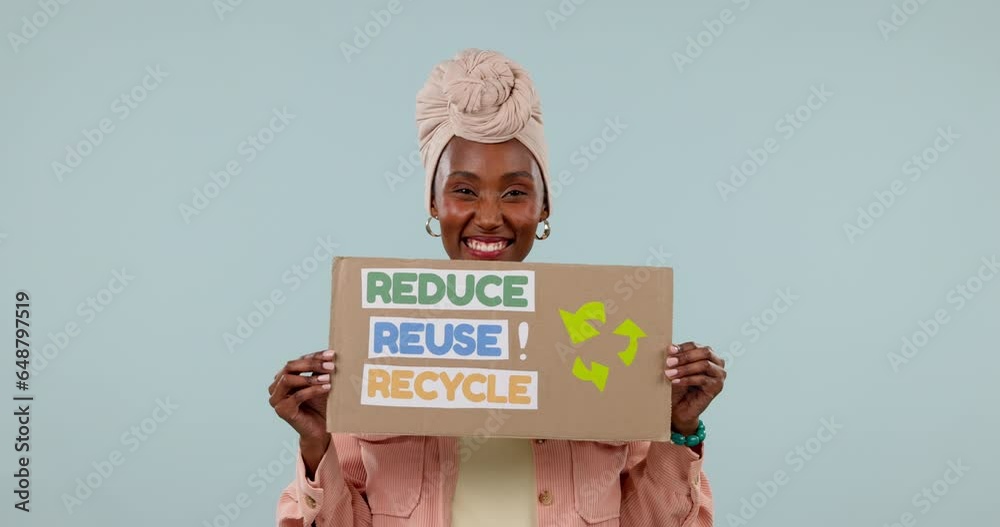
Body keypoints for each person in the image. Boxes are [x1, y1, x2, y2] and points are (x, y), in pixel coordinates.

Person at [270, 48, 727, 527]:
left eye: (515, 192)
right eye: (464, 190)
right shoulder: (373, 350)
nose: (489, 218)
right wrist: (316, 443)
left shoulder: (611, 345)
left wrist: (677, 429)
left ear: (544, 207)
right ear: (433, 202)